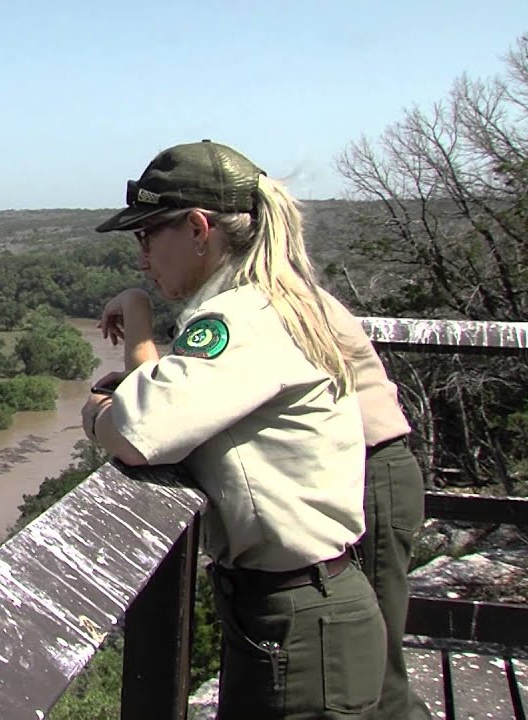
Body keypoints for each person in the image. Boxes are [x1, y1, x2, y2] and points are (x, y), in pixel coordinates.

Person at [82, 139, 387, 718]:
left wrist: (97, 409)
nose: (142, 258)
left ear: (199, 229)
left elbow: (138, 429)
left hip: (298, 621)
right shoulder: (278, 302)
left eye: (148, 235)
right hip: (303, 608)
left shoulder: (243, 320)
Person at [322, 294, 432, 720]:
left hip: (369, 469)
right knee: (369, 654)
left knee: (376, 662)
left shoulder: (266, 302)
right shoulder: (290, 293)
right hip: (363, 469)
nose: (145, 259)